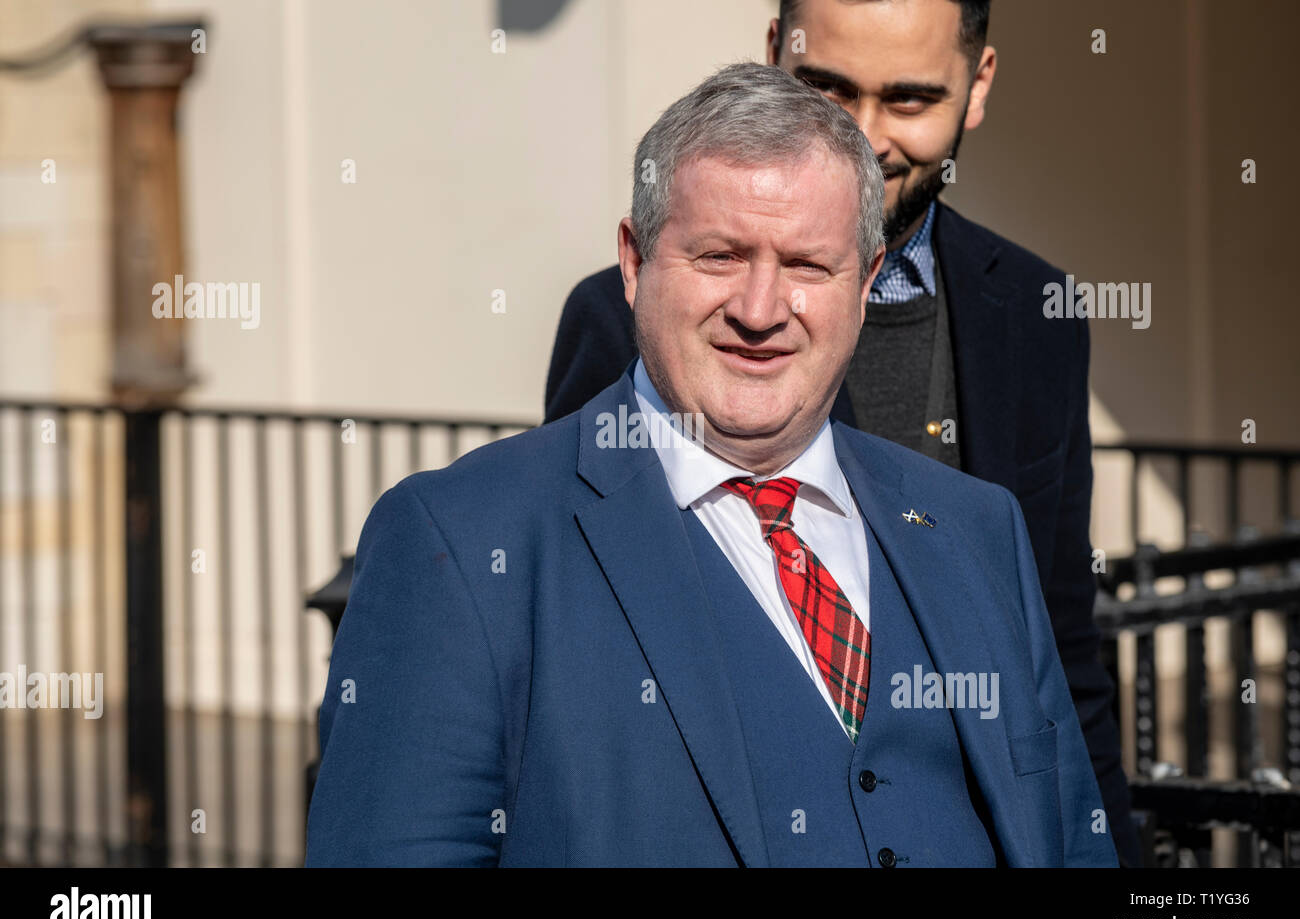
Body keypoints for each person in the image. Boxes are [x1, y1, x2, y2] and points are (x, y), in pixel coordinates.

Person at [305, 63, 1116, 867]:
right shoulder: (462, 545)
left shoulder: (979, 530)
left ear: (865, 283)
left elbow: (1075, 840)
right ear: (633, 261)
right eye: (720, 256)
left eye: (806, 266)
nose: (760, 312)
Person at [542, 0, 1139, 865]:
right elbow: (586, 646)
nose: (862, 139)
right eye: (827, 87)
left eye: (907, 100)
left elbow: (1064, 665)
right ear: (773, 54)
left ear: (978, 86)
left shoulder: (1039, 315)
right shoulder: (631, 317)